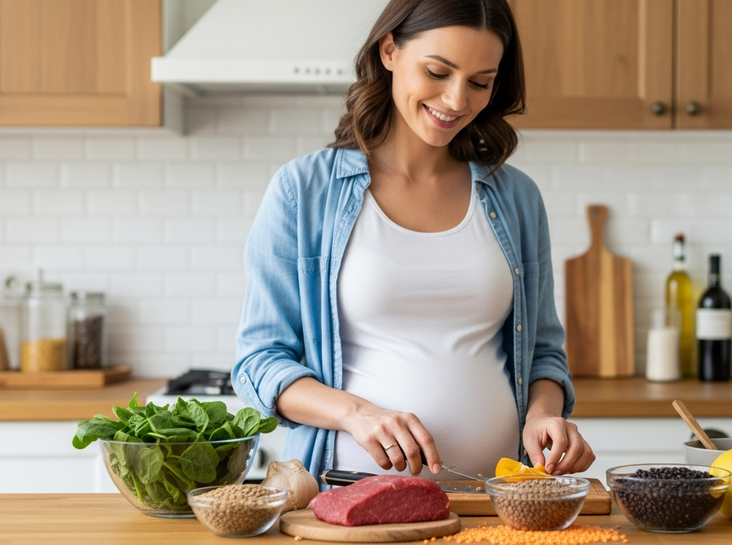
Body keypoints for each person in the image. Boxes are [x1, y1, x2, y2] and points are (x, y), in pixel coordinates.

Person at [233, 0, 594, 483]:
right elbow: (259, 361)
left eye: (480, 82)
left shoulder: (516, 197)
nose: (456, 100)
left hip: (496, 499)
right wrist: (355, 413)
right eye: (437, 72)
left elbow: (544, 352)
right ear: (388, 51)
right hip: (347, 497)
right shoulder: (304, 191)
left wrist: (543, 415)